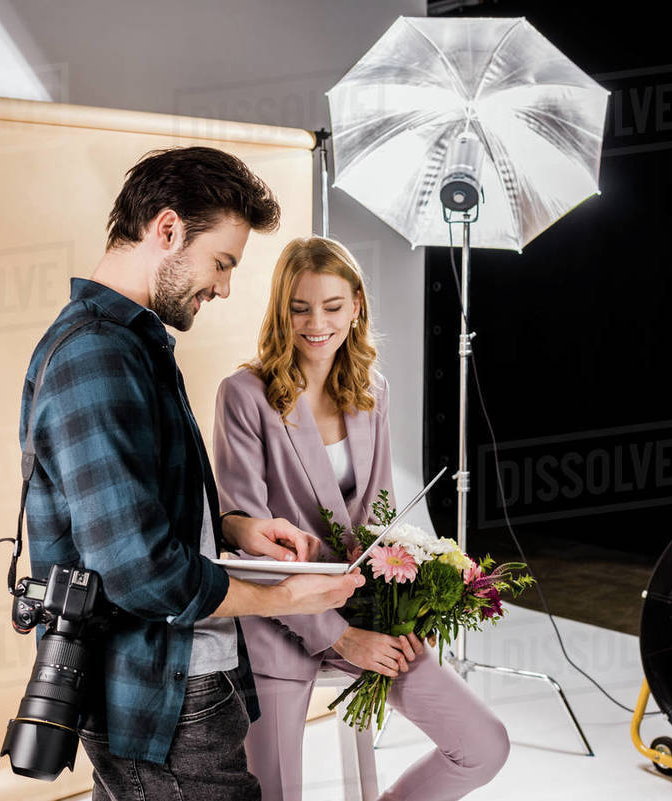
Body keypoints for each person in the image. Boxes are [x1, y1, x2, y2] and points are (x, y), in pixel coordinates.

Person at [20, 149, 365, 801]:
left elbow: (147, 514)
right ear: (168, 230)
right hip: (160, 696)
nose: (226, 286)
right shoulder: (95, 356)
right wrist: (281, 598)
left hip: (177, 683)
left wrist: (237, 528)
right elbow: (137, 569)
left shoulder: (131, 346)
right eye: (223, 262)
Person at [212, 237, 511, 801]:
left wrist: (404, 615)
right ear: (281, 311)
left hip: (366, 614)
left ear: (355, 307)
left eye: (331, 306)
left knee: (484, 745)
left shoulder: (372, 391)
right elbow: (247, 547)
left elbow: (379, 524)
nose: (315, 323)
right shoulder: (244, 395)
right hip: (279, 627)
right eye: (299, 308)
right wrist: (340, 637)